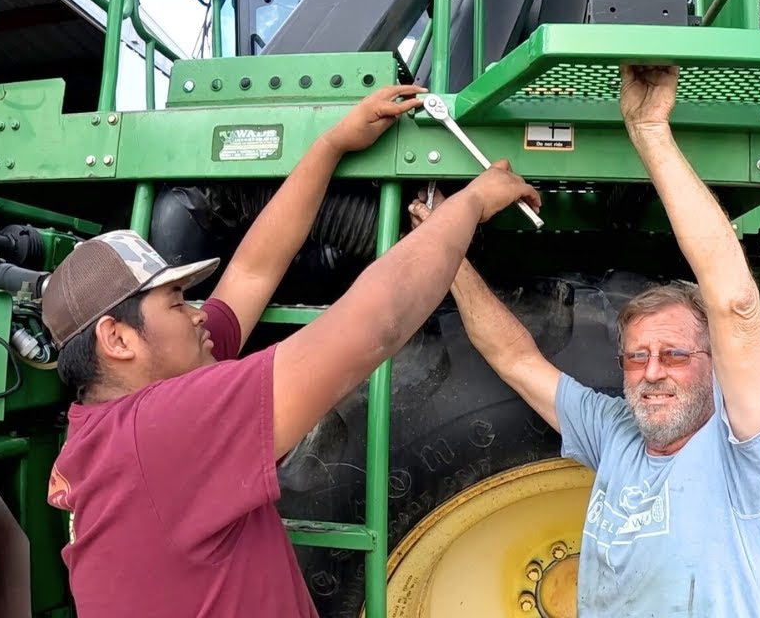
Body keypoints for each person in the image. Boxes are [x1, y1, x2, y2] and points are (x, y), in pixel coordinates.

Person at [40, 82, 541, 618]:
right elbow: (377, 323)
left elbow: (253, 271)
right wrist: (471, 203)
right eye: (176, 301)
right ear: (117, 339)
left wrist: (330, 146)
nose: (197, 312)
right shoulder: (161, 432)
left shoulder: (118, 425)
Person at [407, 65, 760, 616]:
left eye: (674, 354)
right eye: (637, 357)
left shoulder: (746, 450)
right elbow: (514, 358)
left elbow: (734, 304)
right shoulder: (616, 431)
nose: (653, 371)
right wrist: (443, 249)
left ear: (713, 363)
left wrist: (649, 131)